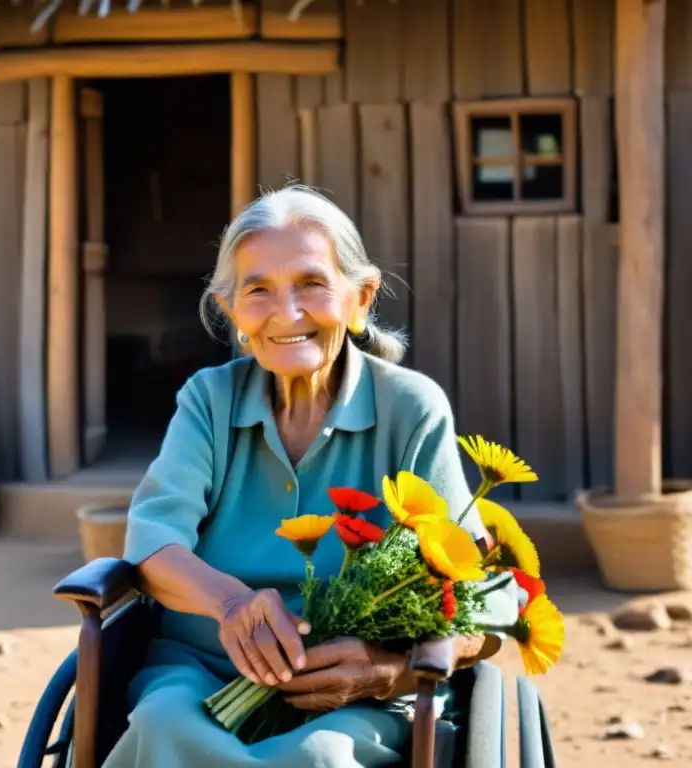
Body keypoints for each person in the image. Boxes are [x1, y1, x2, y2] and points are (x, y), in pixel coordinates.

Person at [103, 186, 519, 767]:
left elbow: (488, 596)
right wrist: (230, 606)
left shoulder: (410, 408)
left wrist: (388, 669)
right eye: (258, 291)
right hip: (203, 672)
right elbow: (152, 543)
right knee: (160, 723)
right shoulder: (209, 401)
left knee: (318, 758)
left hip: (357, 693)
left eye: (312, 284)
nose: (287, 313)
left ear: (361, 299)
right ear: (233, 314)